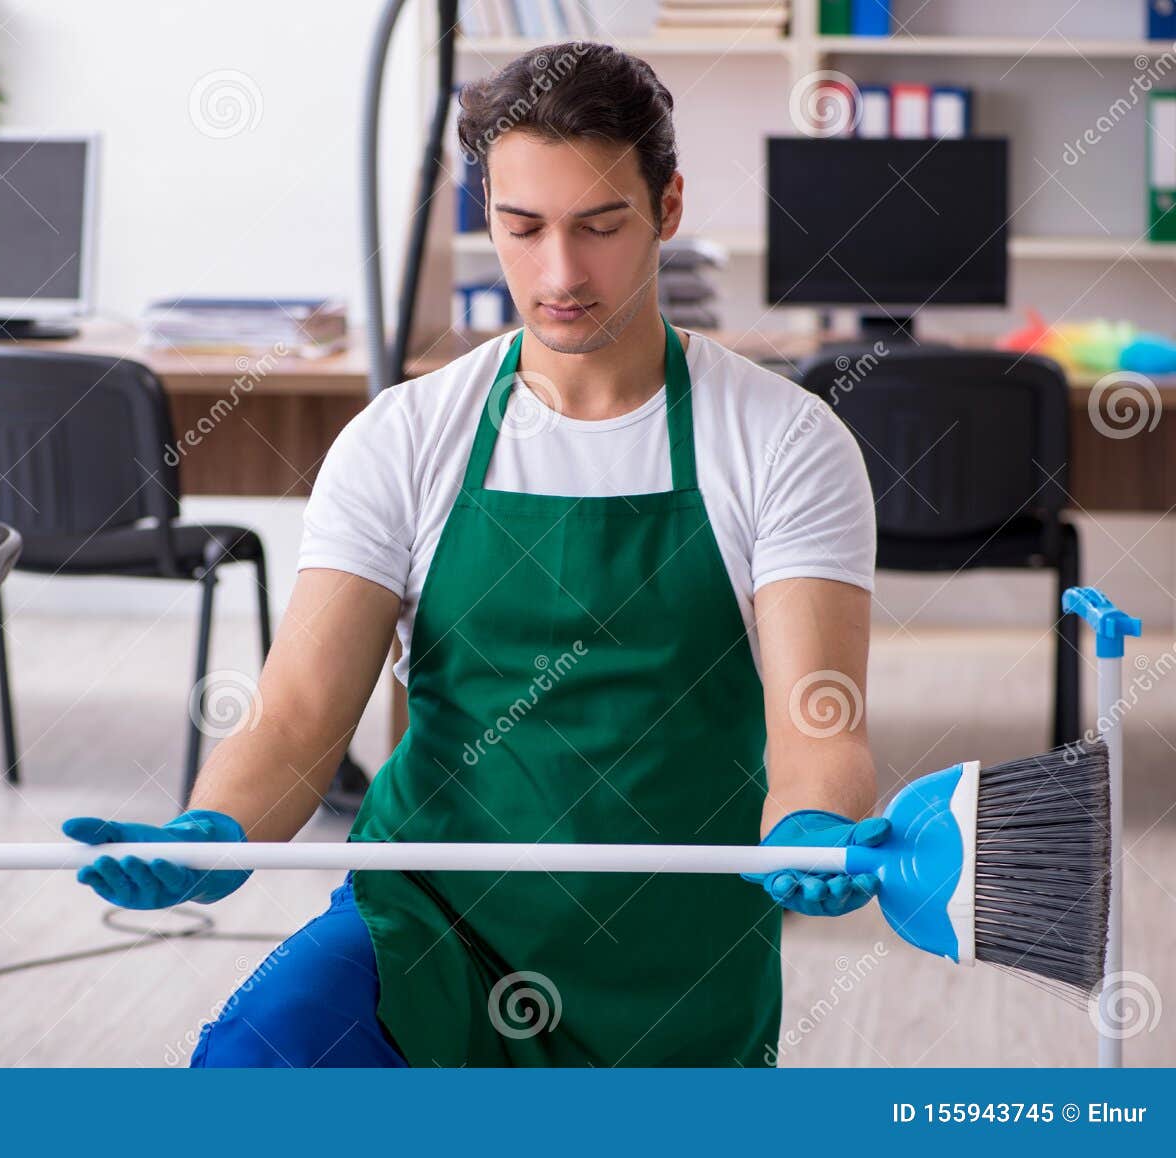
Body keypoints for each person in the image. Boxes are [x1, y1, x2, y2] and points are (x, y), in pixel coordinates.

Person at [63, 42, 883, 1067]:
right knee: (251, 1065)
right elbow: (299, 717)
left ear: (667, 208)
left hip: (672, 957)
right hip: (432, 917)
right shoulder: (403, 437)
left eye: (599, 226)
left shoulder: (783, 440)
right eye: (522, 227)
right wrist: (213, 828)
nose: (559, 274)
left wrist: (813, 817)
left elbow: (819, 719)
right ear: (486, 212)